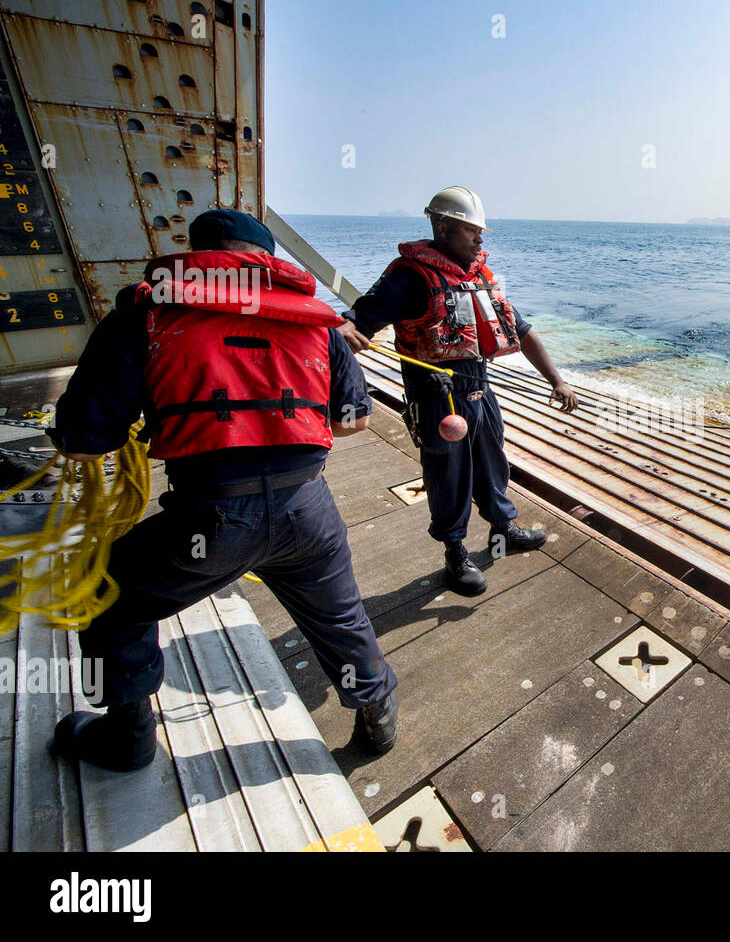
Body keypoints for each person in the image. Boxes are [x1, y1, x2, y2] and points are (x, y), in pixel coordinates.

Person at [47, 210, 399, 771]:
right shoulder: (318, 325)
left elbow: (82, 443)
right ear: (270, 262)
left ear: (198, 254)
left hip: (208, 520)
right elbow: (355, 421)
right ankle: (379, 720)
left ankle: (128, 736)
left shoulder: (144, 319)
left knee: (103, 593)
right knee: (341, 619)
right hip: (308, 510)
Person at [337, 186, 578, 596]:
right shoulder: (408, 277)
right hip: (436, 394)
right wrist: (345, 329)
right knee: (447, 471)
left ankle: (503, 530)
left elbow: (521, 330)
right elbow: (355, 322)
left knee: (492, 459)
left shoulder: (479, 276)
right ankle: (454, 551)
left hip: (478, 383)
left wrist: (557, 379)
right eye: (470, 230)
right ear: (442, 227)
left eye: (480, 231)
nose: (479, 239)